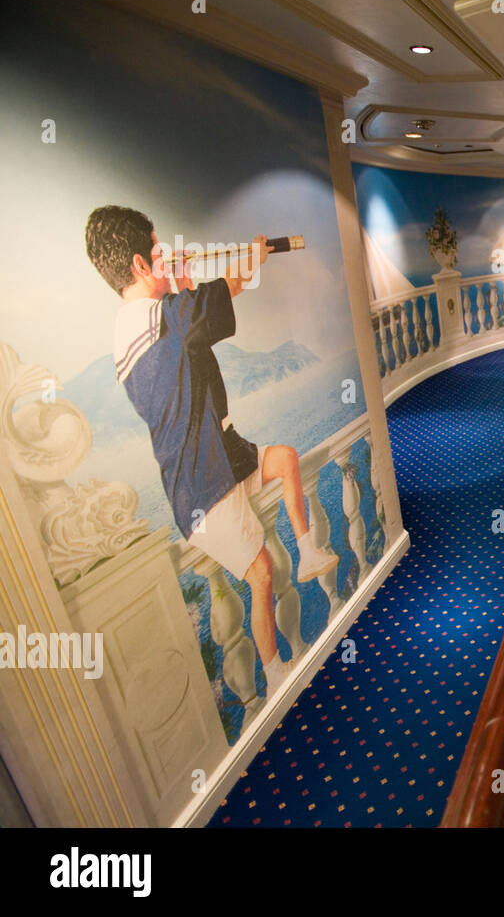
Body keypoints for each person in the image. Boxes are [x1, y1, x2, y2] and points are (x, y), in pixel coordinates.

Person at [85, 205, 338, 696]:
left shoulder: (131, 331)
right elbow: (219, 298)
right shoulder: (160, 319)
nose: (165, 256)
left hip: (217, 459)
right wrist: (255, 257)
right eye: (158, 252)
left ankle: (308, 552)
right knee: (262, 573)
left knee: (285, 459)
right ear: (139, 265)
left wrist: (179, 284)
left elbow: (189, 347)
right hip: (204, 484)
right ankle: (273, 669)